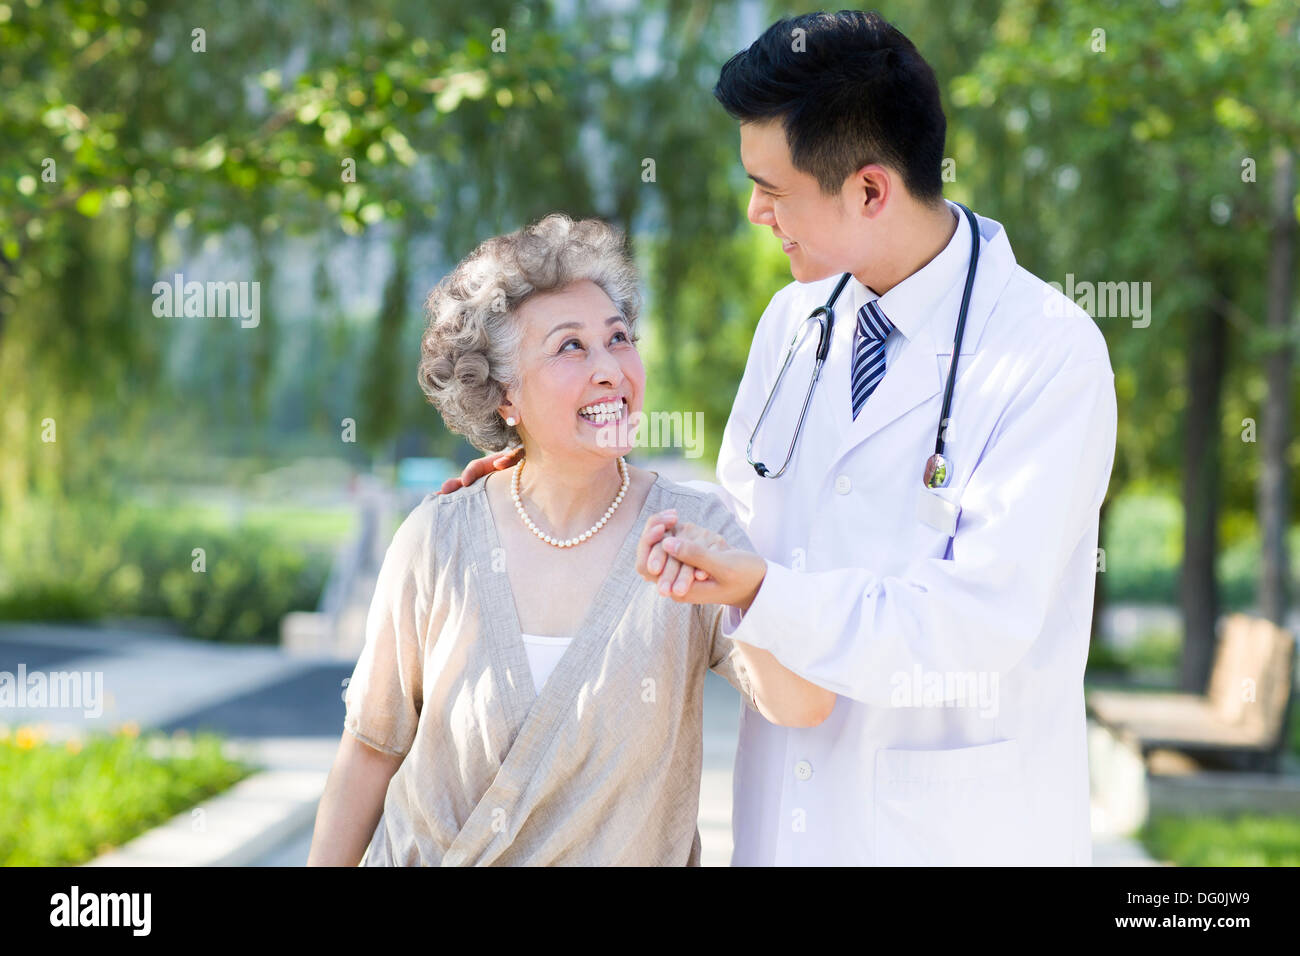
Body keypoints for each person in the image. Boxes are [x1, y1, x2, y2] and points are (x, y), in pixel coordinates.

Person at [451, 11, 1118, 866]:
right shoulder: (795, 321)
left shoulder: (1047, 352)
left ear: (869, 190)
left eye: (772, 189)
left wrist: (769, 592)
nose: (755, 211)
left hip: (956, 835)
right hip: (788, 827)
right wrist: (560, 477)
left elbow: (977, 626)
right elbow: (736, 523)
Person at [307, 212, 833, 866]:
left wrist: (747, 591)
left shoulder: (693, 533)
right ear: (504, 395)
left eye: (619, 338)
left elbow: (804, 705)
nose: (610, 368)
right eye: (570, 347)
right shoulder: (438, 539)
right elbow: (370, 747)